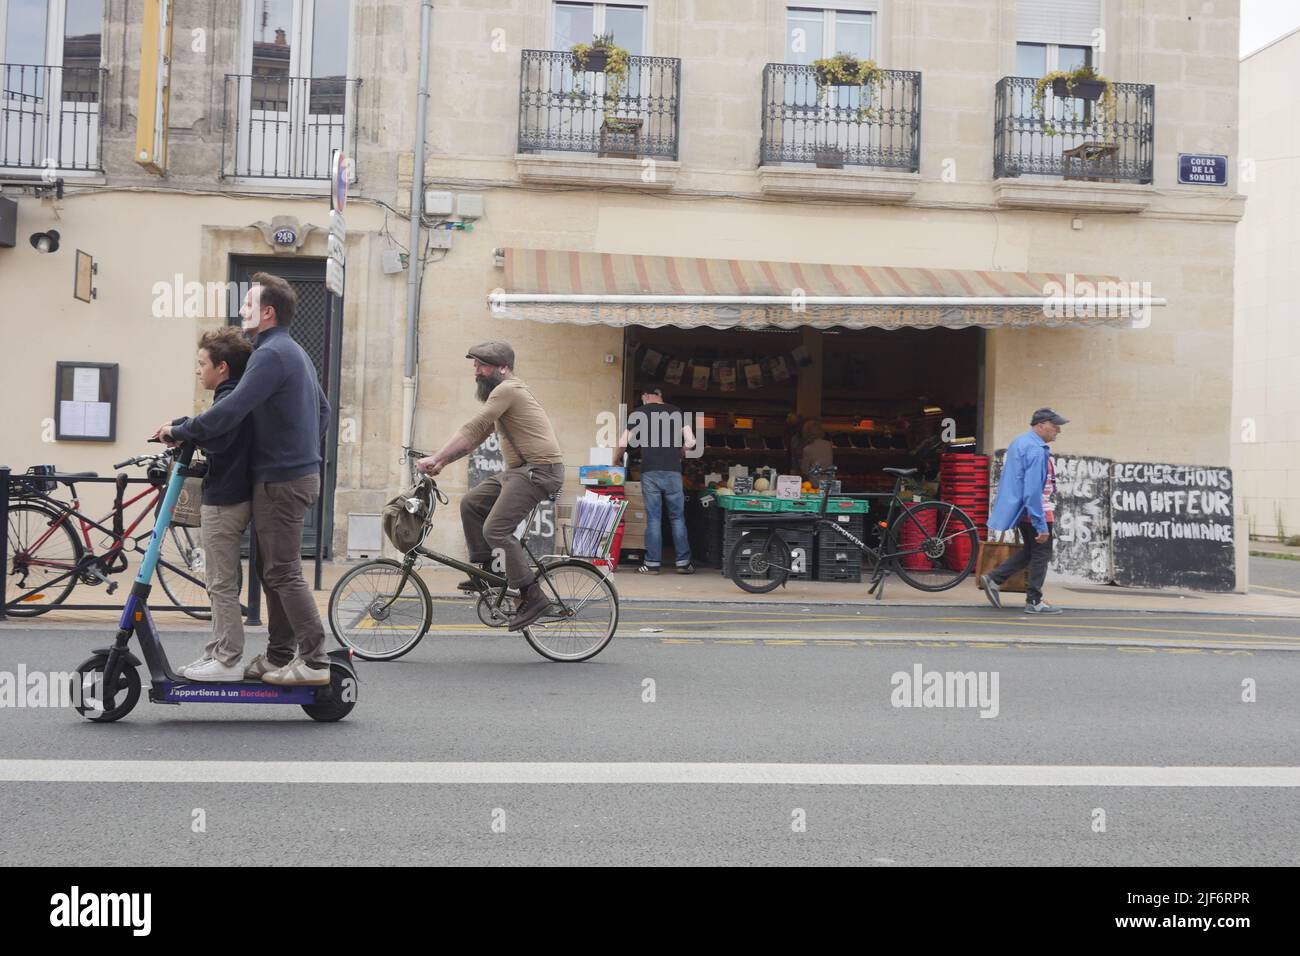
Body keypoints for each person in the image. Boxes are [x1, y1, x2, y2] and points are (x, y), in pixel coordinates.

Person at [155, 273, 332, 684]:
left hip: (281, 481)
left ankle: (316, 661)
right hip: (292, 475)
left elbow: (231, 410)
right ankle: (278, 656)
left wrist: (181, 431)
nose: (242, 311)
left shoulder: (269, 355)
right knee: (273, 572)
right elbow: (322, 412)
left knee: (283, 572)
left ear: (267, 313)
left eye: (249, 305)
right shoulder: (295, 351)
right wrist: (300, 448)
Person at [416, 342, 565, 631]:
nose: (476, 371)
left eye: (481, 365)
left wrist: (435, 457)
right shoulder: (501, 396)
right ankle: (485, 573)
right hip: (520, 471)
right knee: (471, 503)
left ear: (503, 368)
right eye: (475, 365)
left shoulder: (508, 390)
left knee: (496, 529)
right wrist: (443, 462)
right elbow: (478, 436)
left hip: (539, 470)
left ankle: (532, 596)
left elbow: (472, 427)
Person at [170, 328, 255, 681]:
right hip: (232, 494)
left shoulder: (229, 399)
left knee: (220, 582)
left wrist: (181, 430)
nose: (197, 370)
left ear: (222, 367)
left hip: (225, 500)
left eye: (202, 363)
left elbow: (218, 436)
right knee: (223, 581)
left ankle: (227, 659)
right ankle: (218, 652)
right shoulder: (233, 397)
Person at [981, 407, 1068, 614]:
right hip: (1037, 510)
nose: (1058, 431)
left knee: (1031, 550)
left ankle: (994, 578)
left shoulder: (1020, 441)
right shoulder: (1037, 450)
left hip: (1022, 509)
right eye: (1055, 426)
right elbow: (1032, 491)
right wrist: (1041, 525)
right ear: (1041, 425)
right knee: (1042, 554)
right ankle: (1034, 601)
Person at [614, 386, 696, 575]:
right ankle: (683, 563)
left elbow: (623, 442)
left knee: (654, 519)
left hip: (650, 472)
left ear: (646, 396)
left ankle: (652, 564)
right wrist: (682, 451)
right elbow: (691, 442)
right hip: (673, 472)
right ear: (660, 396)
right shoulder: (675, 411)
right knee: (677, 518)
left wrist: (616, 460)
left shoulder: (640, 413)